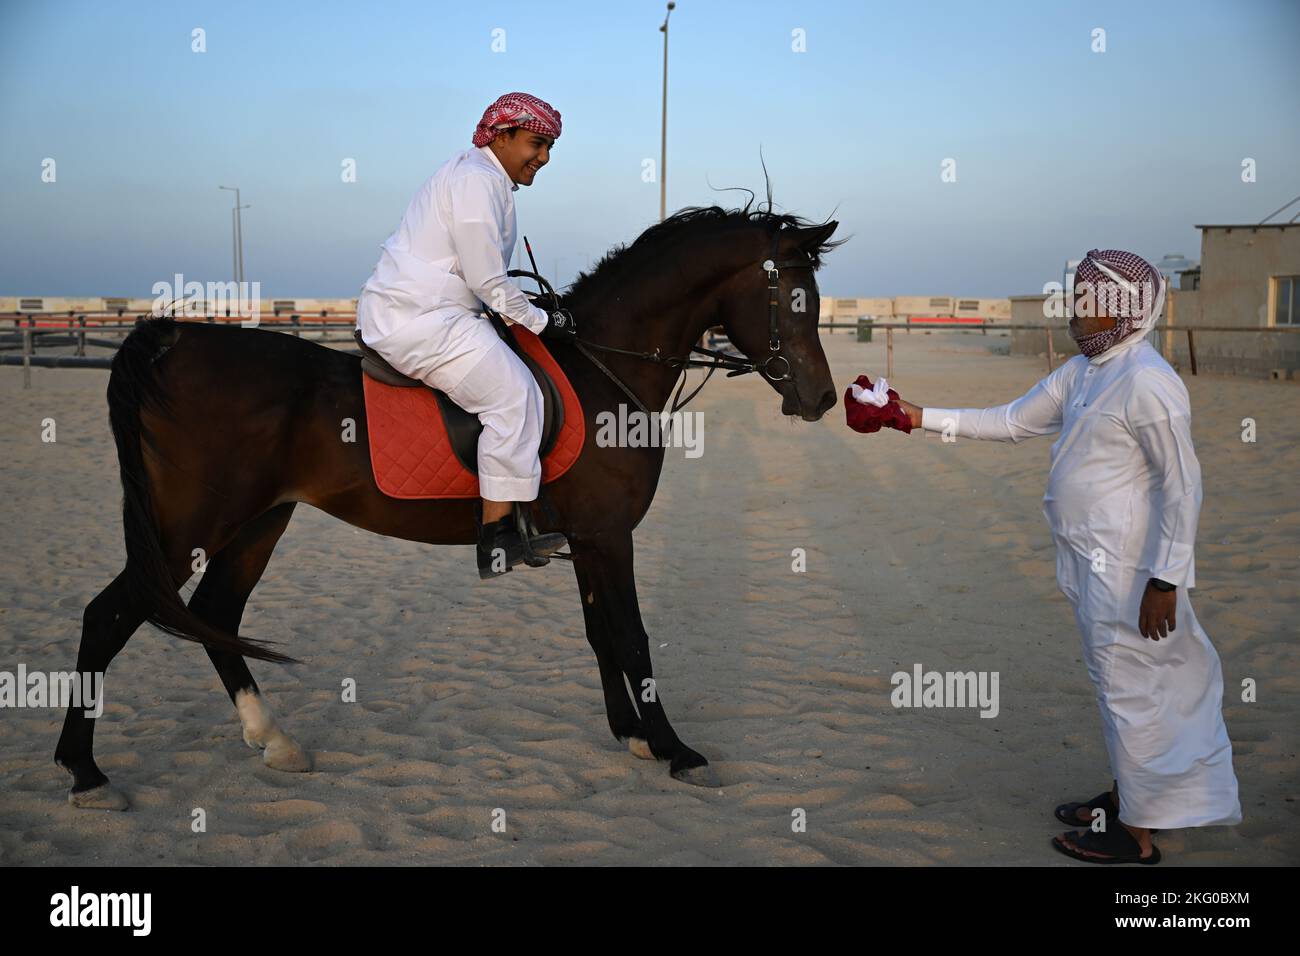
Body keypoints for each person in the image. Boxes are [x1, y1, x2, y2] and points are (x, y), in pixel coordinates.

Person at [887, 249, 1241, 863]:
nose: (1076, 312)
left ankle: (1136, 837)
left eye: (1090, 302)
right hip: (1089, 563)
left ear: (1127, 309)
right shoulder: (1083, 371)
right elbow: (1010, 423)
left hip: (1132, 571)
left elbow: (1183, 486)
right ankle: (1130, 794)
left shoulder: (1148, 382)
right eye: (1075, 298)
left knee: (1131, 689)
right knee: (1117, 685)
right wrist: (914, 416)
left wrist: (1166, 579)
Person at [356, 92, 577, 579]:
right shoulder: (477, 181)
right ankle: (496, 539)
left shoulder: (486, 179)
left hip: (440, 312)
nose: (543, 158)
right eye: (537, 144)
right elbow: (487, 281)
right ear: (502, 136)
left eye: (550, 148)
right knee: (514, 396)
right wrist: (544, 321)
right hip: (420, 318)